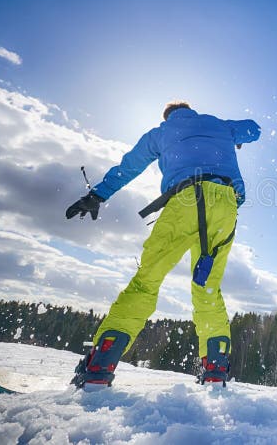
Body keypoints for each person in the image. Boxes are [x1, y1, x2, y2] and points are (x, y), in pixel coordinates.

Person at [65, 100, 260, 388]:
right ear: (190, 110)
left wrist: (98, 195)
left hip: (184, 200)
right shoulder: (218, 124)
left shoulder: (160, 133)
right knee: (207, 287)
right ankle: (216, 370)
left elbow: (129, 166)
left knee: (147, 282)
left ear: (167, 117)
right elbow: (254, 130)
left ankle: (99, 367)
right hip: (225, 205)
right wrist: (237, 139)